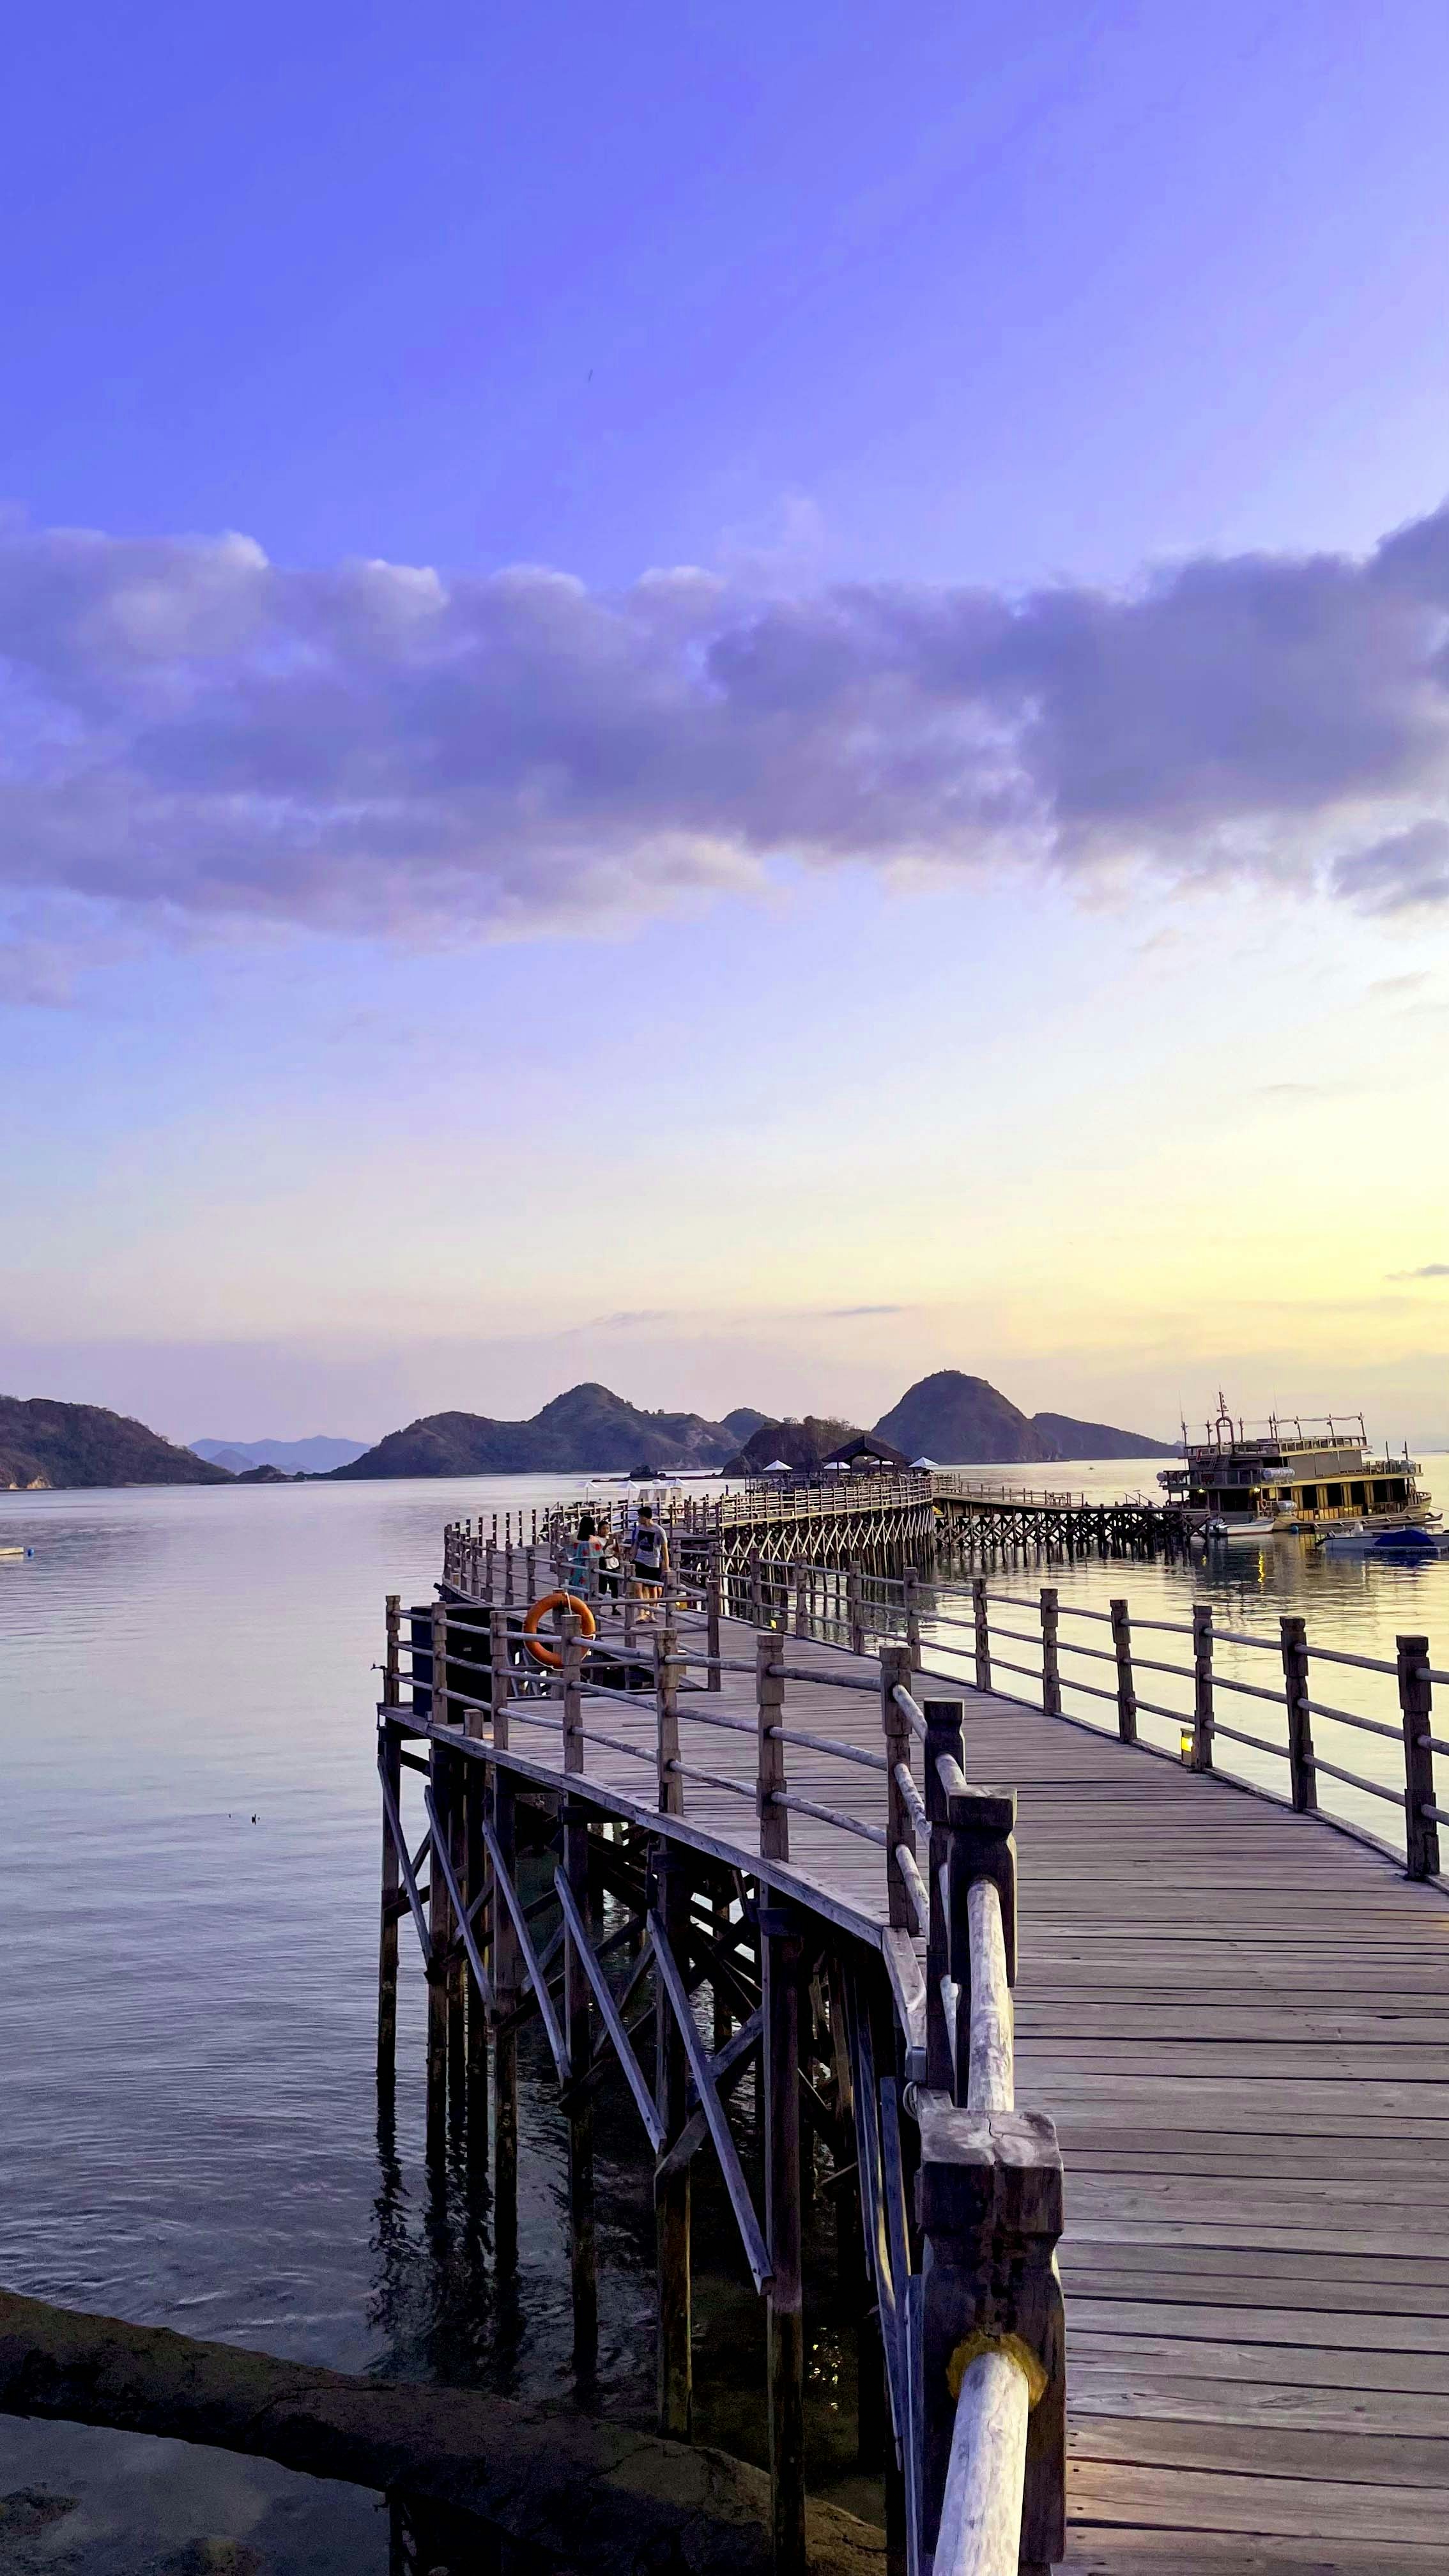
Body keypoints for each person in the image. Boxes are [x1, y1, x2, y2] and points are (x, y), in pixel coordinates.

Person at [629, 1501, 670, 1621]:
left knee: (653, 1589)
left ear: (645, 1517)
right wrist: (632, 1559)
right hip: (639, 1560)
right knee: (637, 1587)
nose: (638, 1519)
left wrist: (666, 1566)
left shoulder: (659, 1531)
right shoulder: (638, 1529)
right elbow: (636, 1544)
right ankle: (641, 1613)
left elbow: (664, 1550)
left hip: (653, 1562)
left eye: (640, 1516)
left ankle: (652, 1614)